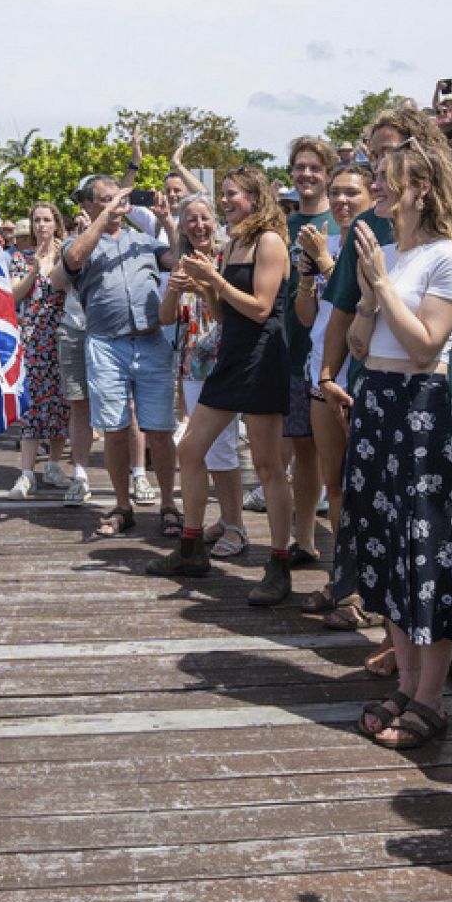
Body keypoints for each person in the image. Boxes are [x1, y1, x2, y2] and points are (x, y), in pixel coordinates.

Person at [342, 140, 452, 749]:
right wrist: (372, 295)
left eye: (385, 177)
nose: (376, 186)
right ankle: (405, 682)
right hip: (376, 401)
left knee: (426, 547)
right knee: (385, 542)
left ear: (421, 188)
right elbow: (356, 343)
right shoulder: (393, 255)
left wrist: (381, 283)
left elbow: (427, 344)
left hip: (420, 411)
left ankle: (431, 699)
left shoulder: (449, 256)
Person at [148, 167, 294, 601]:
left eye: (232, 195)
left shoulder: (269, 241)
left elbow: (262, 308)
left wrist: (215, 281)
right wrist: (205, 286)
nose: (225, 201)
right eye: (224, 195)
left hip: (263, 357)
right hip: (231, 355)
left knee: (267, 466)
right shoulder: (233, 244)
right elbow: (224, 313)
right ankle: (191, 549)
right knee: (190, 449)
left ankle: (279, 563)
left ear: (255, 197)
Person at [62, 175, 180, 537]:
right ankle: (122, 505)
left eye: (120, 198)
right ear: (89, 204)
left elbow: (178, 259)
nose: (117, 204)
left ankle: (168, 505)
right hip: (106, 345)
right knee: (114, 430)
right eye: (107, 199)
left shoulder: (142, 241)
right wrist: (104, 219)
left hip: (151, 342)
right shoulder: (78, 241)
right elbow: (74, 259)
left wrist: (168, 221)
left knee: (159, 430)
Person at [293, 162, 369, 619]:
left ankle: (369, 585)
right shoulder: (327, 242)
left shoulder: (373, 243)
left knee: (368, 485)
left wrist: (324, 262)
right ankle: (345, 579)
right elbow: (306, 317)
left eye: (352, 194)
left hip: (360, 378)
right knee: (335, 484)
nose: (341, 201)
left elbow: (363, 298)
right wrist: (308, 275)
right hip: (321, 373)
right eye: (336, 193)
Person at [159, 193, 249, 556]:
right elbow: (166, 318)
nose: (198, 226)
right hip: (193, 365)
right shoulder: (181, 262)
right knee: (207, 451)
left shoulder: (231, 259)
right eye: (191, 220)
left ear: (217, 222)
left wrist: (209, 285)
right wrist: (173, 290)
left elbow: (234, 312)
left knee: (223, 449)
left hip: (225, 363)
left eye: (205, 218)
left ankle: (238, 527)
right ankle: (227, 520)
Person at [282, 136, 337, 567]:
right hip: (293, 348)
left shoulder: (345, 222)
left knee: (340, 454)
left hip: (338, 354)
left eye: (315, 168)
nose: (306, 175)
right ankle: (304, 539)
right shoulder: (281, 226)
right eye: (299, 167)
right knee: (303, 448)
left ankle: (347, 547)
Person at [7, 201, 72, 500]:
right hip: (33, 339)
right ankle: (26, 472)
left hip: (61, 336)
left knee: (61, 404)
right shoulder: (22, 258)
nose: (41, 225)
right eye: (37, 220)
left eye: (46, 220)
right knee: (32, 406)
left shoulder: (66, 255)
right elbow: (12, 295)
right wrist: (34, 272)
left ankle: (55, 464)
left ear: (56, 224)